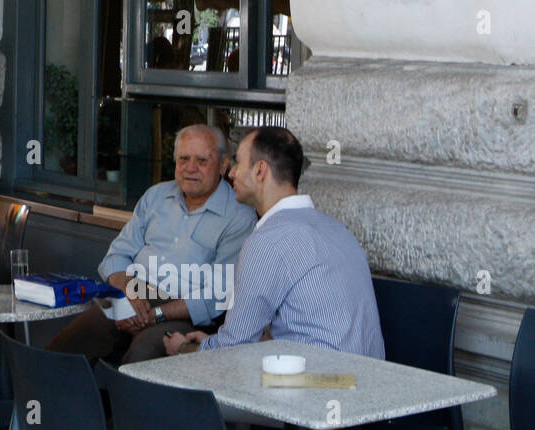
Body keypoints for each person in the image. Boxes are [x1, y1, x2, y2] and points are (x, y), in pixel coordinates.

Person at [163, 125, 384, 359]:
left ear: (260, 171)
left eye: (238, 163)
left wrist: (182, 349)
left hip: (318, 383)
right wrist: (215, 341)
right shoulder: (336, 228)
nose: (231, 173)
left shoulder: (269, 240)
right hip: (366, 381)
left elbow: (234, 347)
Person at [47, 124, 256, 365]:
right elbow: (116, 256)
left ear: (222, 165)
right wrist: (130, 292)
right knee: (69, 342)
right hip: (135, 293)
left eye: (202, 161)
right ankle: (42, 401)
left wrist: (152, 315)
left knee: (142, 355)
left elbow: (216, 295)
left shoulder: (239, 216)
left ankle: (118, 402)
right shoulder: (155, 196)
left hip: (184, 310)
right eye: (183, 159)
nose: (190, 168)